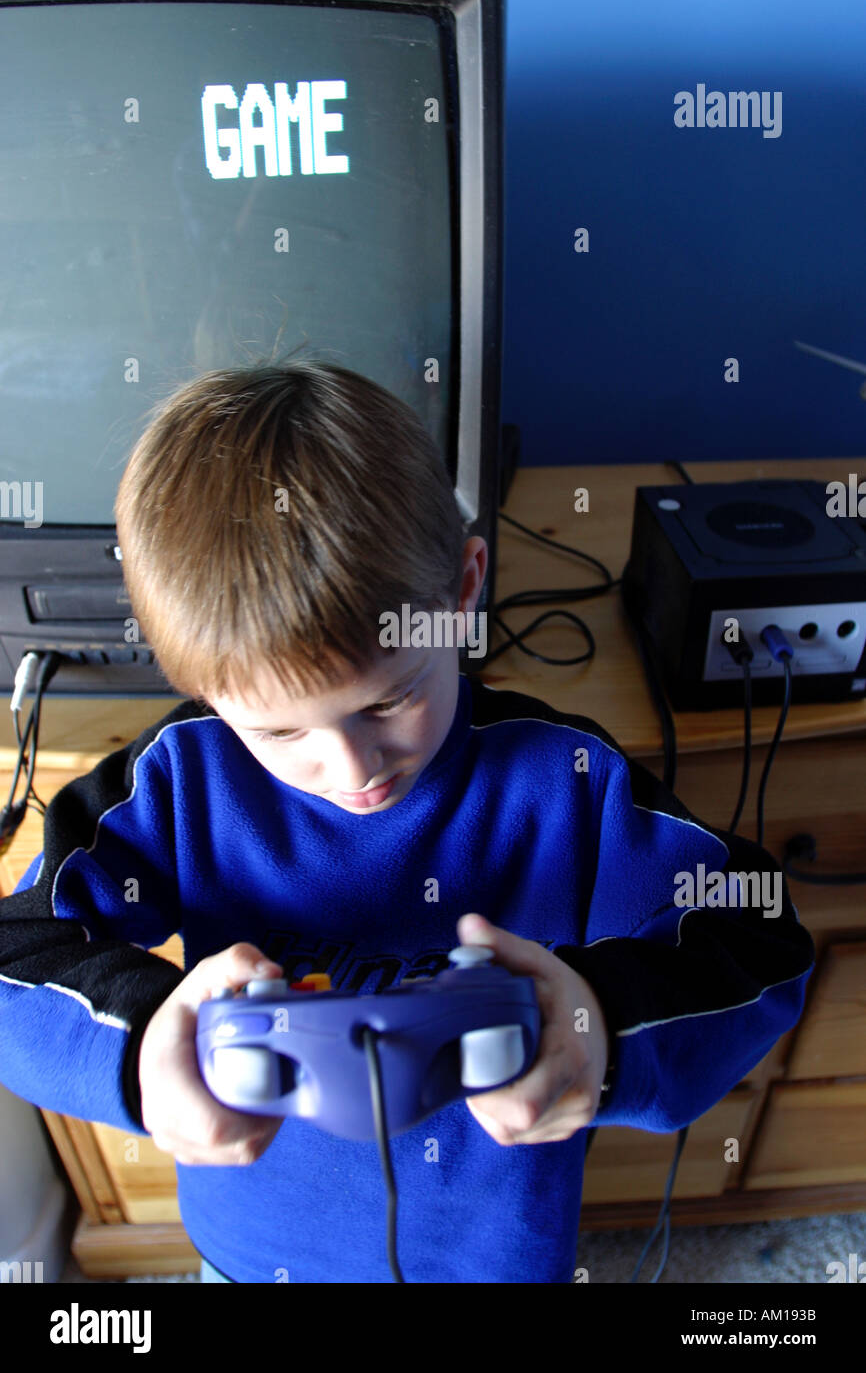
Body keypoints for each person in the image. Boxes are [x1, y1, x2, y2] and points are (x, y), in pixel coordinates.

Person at [0, 359, 815, 1283]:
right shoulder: (182, 779)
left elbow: (763, 939)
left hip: (492, 1264)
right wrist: (144, 1046)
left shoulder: (563, 780)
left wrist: (598, 1018)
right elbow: (13, 958)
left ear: (463, 591)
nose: (351, 768)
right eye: (276, 730)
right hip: (250, 1257)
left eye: (390, 701)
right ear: (202, 689)